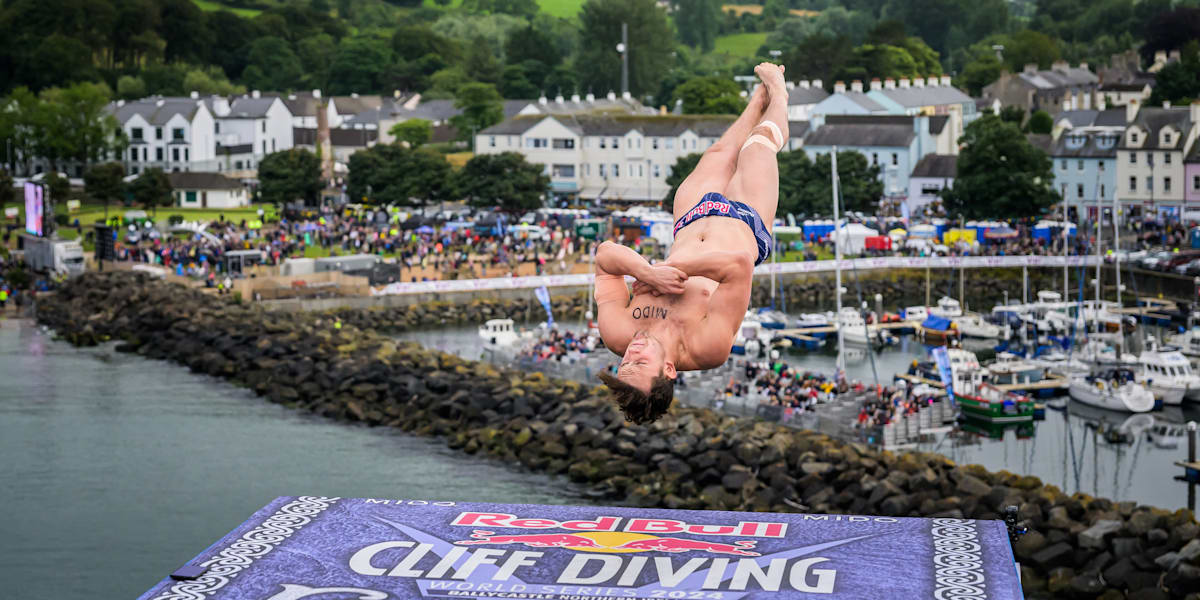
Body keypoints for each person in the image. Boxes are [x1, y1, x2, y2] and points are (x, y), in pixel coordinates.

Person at [594, 62, 788, 424]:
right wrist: (673, 271)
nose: (631, 352)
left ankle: (757, 97)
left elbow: (605, 258)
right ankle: (778, 92)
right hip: (745, 223)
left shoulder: (617, 332)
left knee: (720, 152)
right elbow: (737, 268)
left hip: (691, 217)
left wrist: (648, 273)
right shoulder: (705, 349)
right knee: (757, 147)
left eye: (624, 363)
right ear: (669, 369)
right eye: (640, 363)